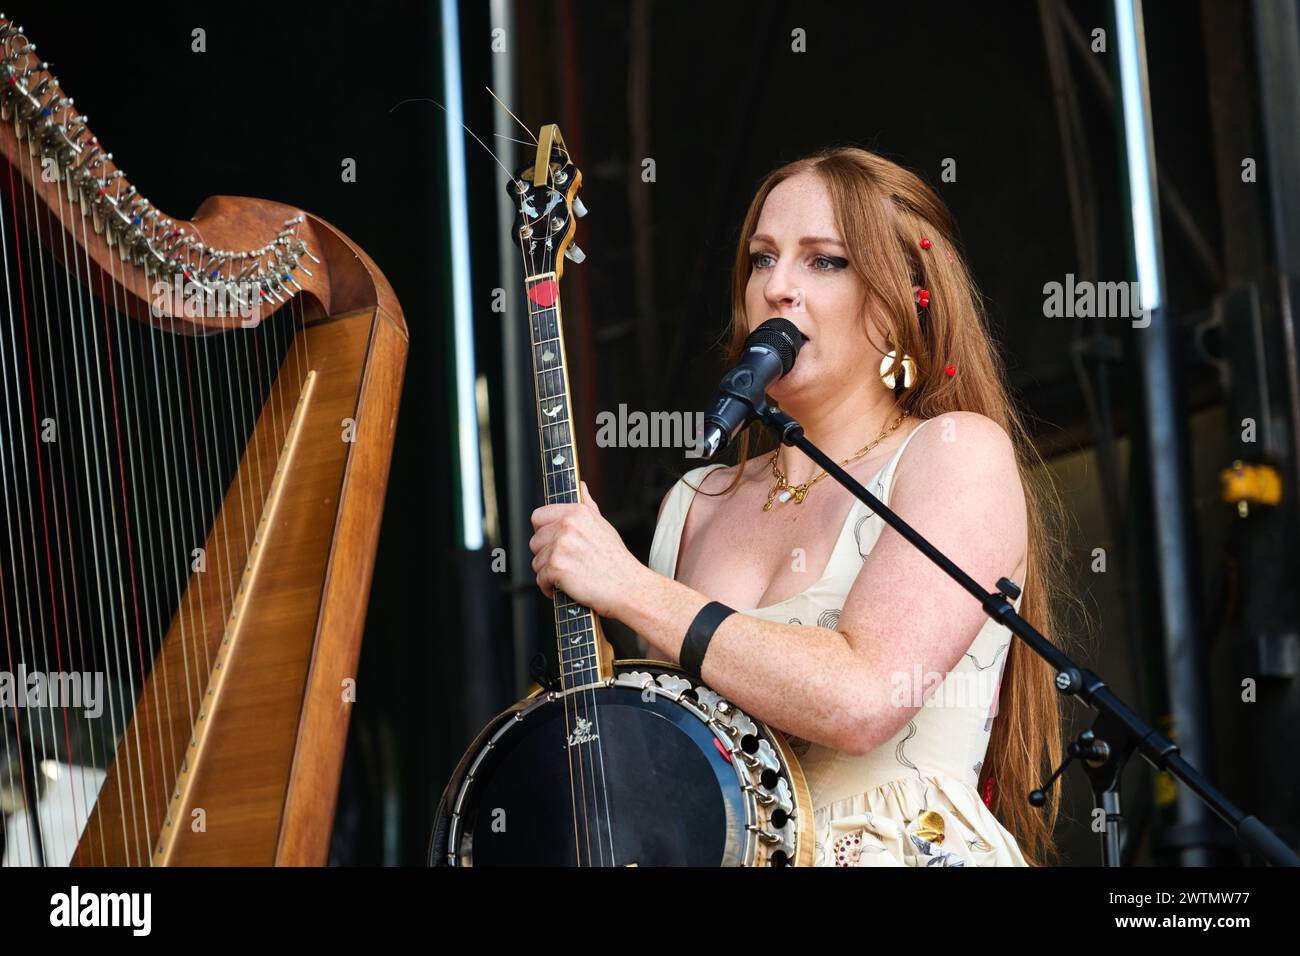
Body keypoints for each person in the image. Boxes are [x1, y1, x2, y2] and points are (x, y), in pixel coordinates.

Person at [528, 146, 1069, 866]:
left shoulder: (953, 452)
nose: (777, 287)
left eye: (824, 261)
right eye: (761, 259)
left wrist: (627, 585)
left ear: (901, 295)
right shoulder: (695, 503)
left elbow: (863, 697)